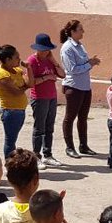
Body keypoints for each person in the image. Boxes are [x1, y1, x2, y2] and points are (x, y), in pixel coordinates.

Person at [60, 19, 101, 158]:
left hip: (85, 86)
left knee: (83, 118)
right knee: (70, 118)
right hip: (74, 87)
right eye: (80, 29)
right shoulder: (67, 48)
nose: (83, 31)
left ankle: (83, 145)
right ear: (72, 32)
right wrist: (90, 64)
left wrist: (90, 62)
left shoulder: (80, 46)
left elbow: (83, 63)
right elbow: (72, 69)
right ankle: (69, 147)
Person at [27, 33, 65, 168]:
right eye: (43, 49)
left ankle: (48, 155)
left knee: (49, 127)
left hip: (51, 97)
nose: (46, 52)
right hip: (39, 98)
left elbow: (63, 74)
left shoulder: (49, 60)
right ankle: (36, 156)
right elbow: (31, 82)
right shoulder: (32, 61)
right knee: (39, 128)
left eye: (48, 49)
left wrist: (54, 61)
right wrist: (47, 77)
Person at [0, 44, 29, 158]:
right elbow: (17, 92)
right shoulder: (2, 75)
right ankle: (9, 163)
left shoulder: (16, 70)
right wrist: (25, 87)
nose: (19, 59)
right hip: (11, 111)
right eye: (16, 57)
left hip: (19, 110)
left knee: (12, 139)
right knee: (10, 141)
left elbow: (29, 83)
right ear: (8, 60)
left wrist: (29, 69)